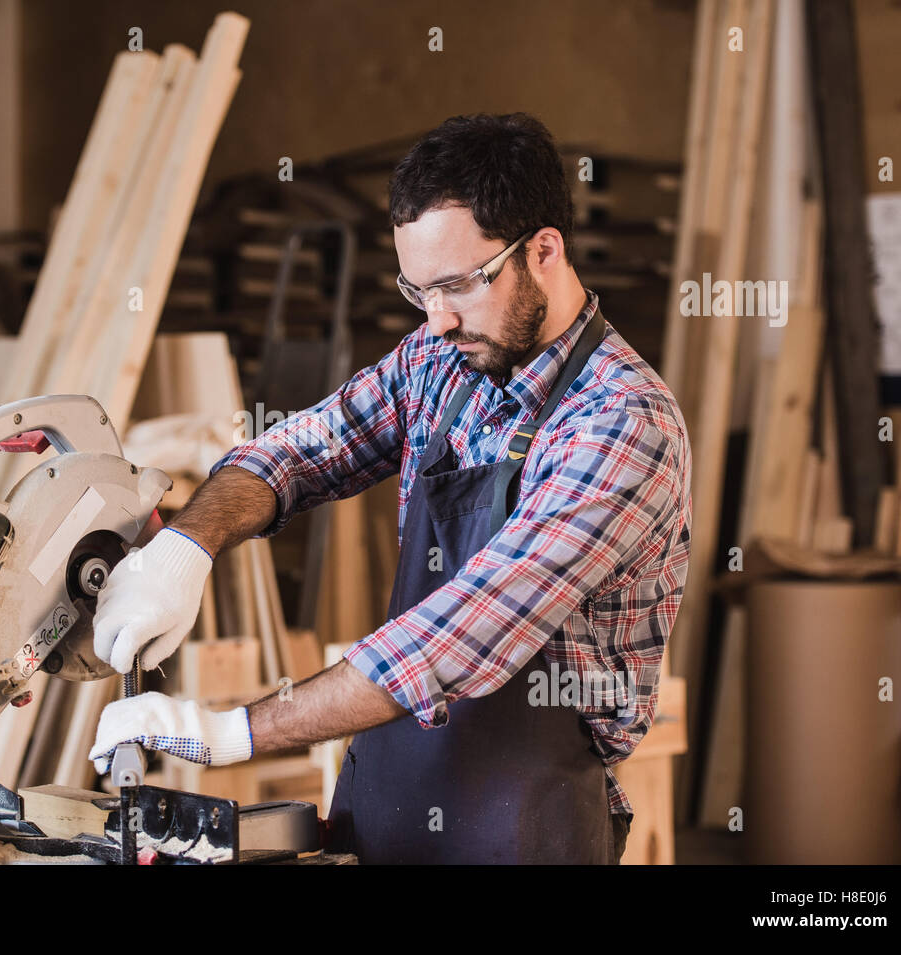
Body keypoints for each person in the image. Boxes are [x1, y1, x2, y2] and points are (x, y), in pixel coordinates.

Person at [89, 112, 692, 864]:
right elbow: (299, 450)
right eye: (418, 289)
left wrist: (234, 730)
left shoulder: (623, 422)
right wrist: (188, 545)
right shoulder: (439, 361)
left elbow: (469, 628)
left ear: (543, 250)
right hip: (391, 792)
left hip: (525, 823)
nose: (436, 320)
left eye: (459, 286)